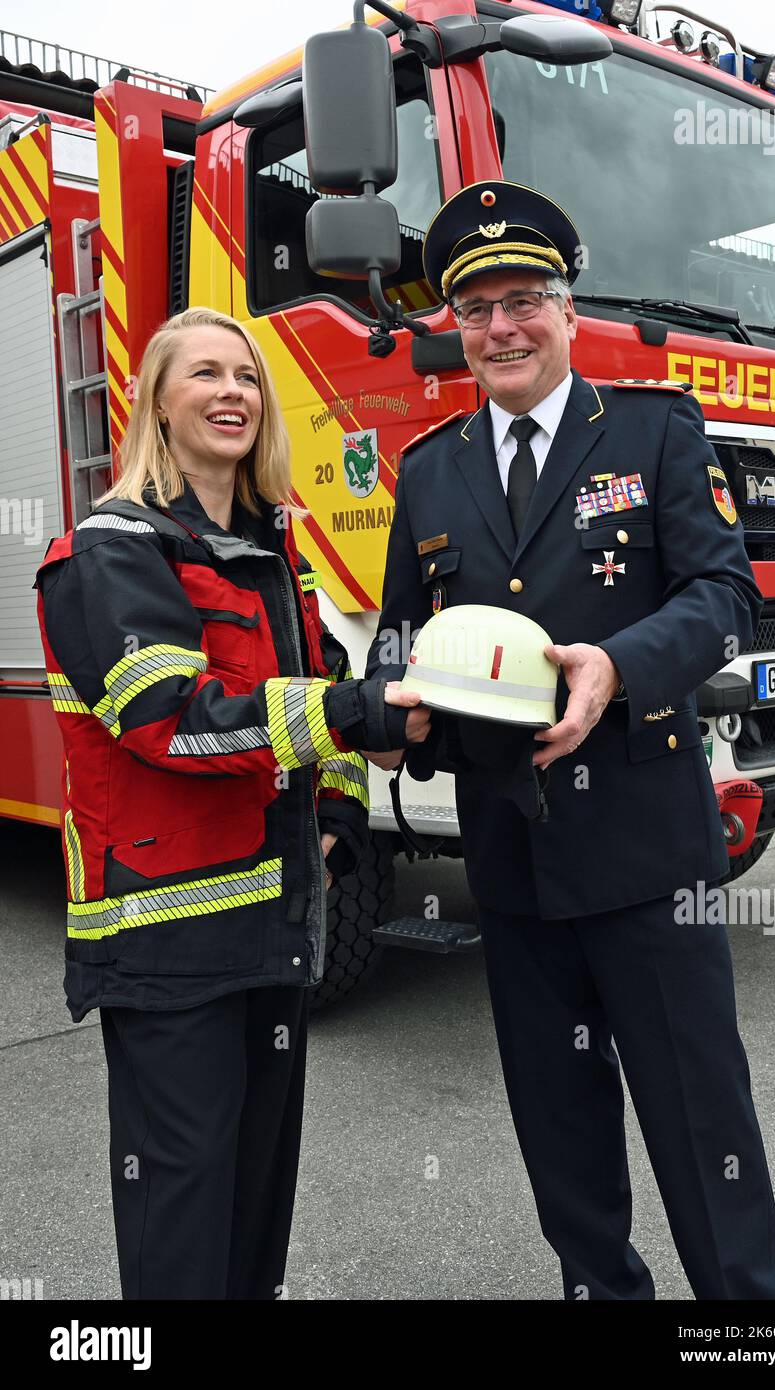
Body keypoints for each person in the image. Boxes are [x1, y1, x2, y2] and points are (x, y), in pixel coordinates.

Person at [366, 182, 775, 1300]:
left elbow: (722, 596)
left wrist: (620, 665)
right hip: (510, 860)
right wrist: (383, 715)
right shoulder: (430, 468)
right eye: (475, 311)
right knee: (561, 1139)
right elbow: (401, 629)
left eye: (523, 301)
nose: (500, 329)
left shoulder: (655, 429)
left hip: (648, 855)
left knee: (706, 1133)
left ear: (567, 307)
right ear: (456, 330)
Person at [35, 306, 429, 1300]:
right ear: (156, 406)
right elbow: (169, 716)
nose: (232, 392)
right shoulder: (113, 549)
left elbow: (315, 698)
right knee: (184, 1213)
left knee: (254, 1214)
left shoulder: (267, 552)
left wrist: (338, 812)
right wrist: (351, 712)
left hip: (270, 932)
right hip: (168, 952)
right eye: (204, 374)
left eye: (247, 376)